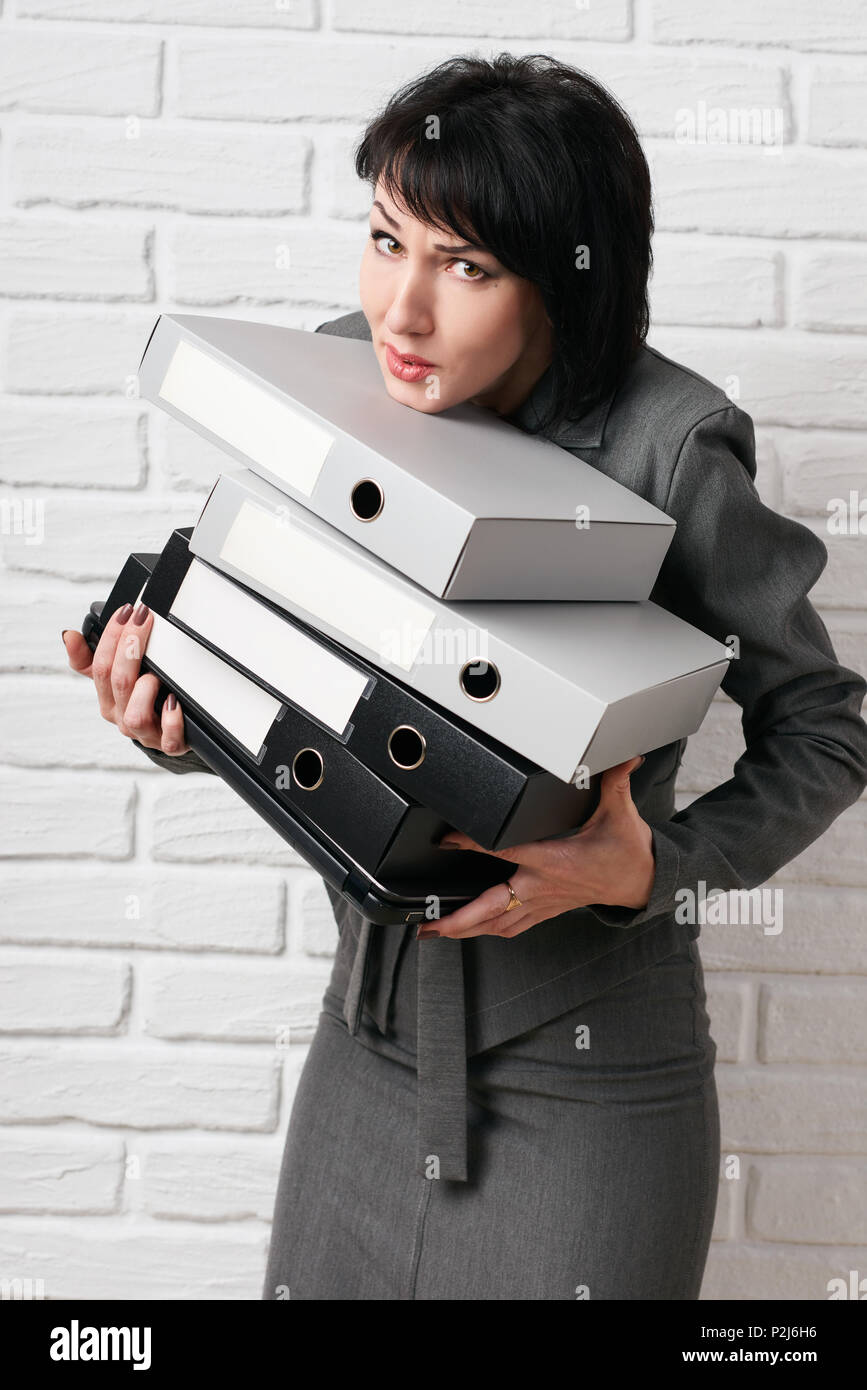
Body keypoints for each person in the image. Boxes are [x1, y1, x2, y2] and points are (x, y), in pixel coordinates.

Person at [62, 54, 867, 1301]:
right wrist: (177, 716)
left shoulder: (672, 449)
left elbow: (826, 724)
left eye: (468, 266)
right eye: (386, 241)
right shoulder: (346, 381)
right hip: (365, 1041)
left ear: (565, 283)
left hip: (586, 1075)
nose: (402, 310)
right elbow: (317, 684)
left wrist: (662, 865)